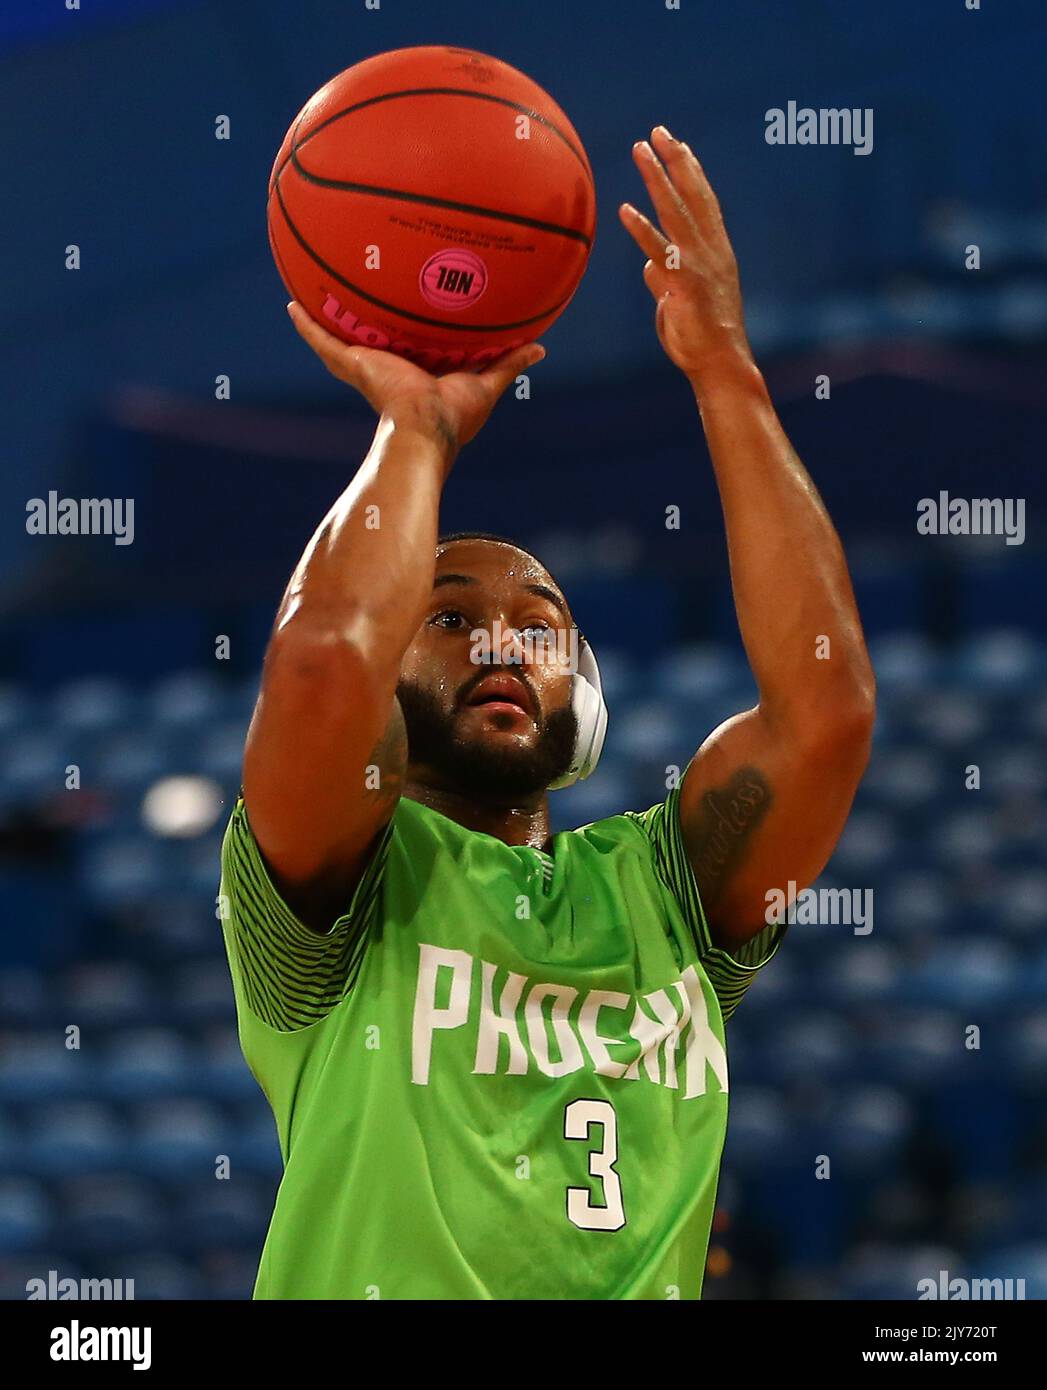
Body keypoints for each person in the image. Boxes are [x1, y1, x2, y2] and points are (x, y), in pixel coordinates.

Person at [219, 125, 875, 1299]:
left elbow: (826, 705)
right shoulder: (342, 886)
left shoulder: (666, 891)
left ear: (592, 693)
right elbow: (321, 666)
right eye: (451, 616)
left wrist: (726, 370)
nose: (505, 642)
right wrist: (413, 432)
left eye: (541, 621)